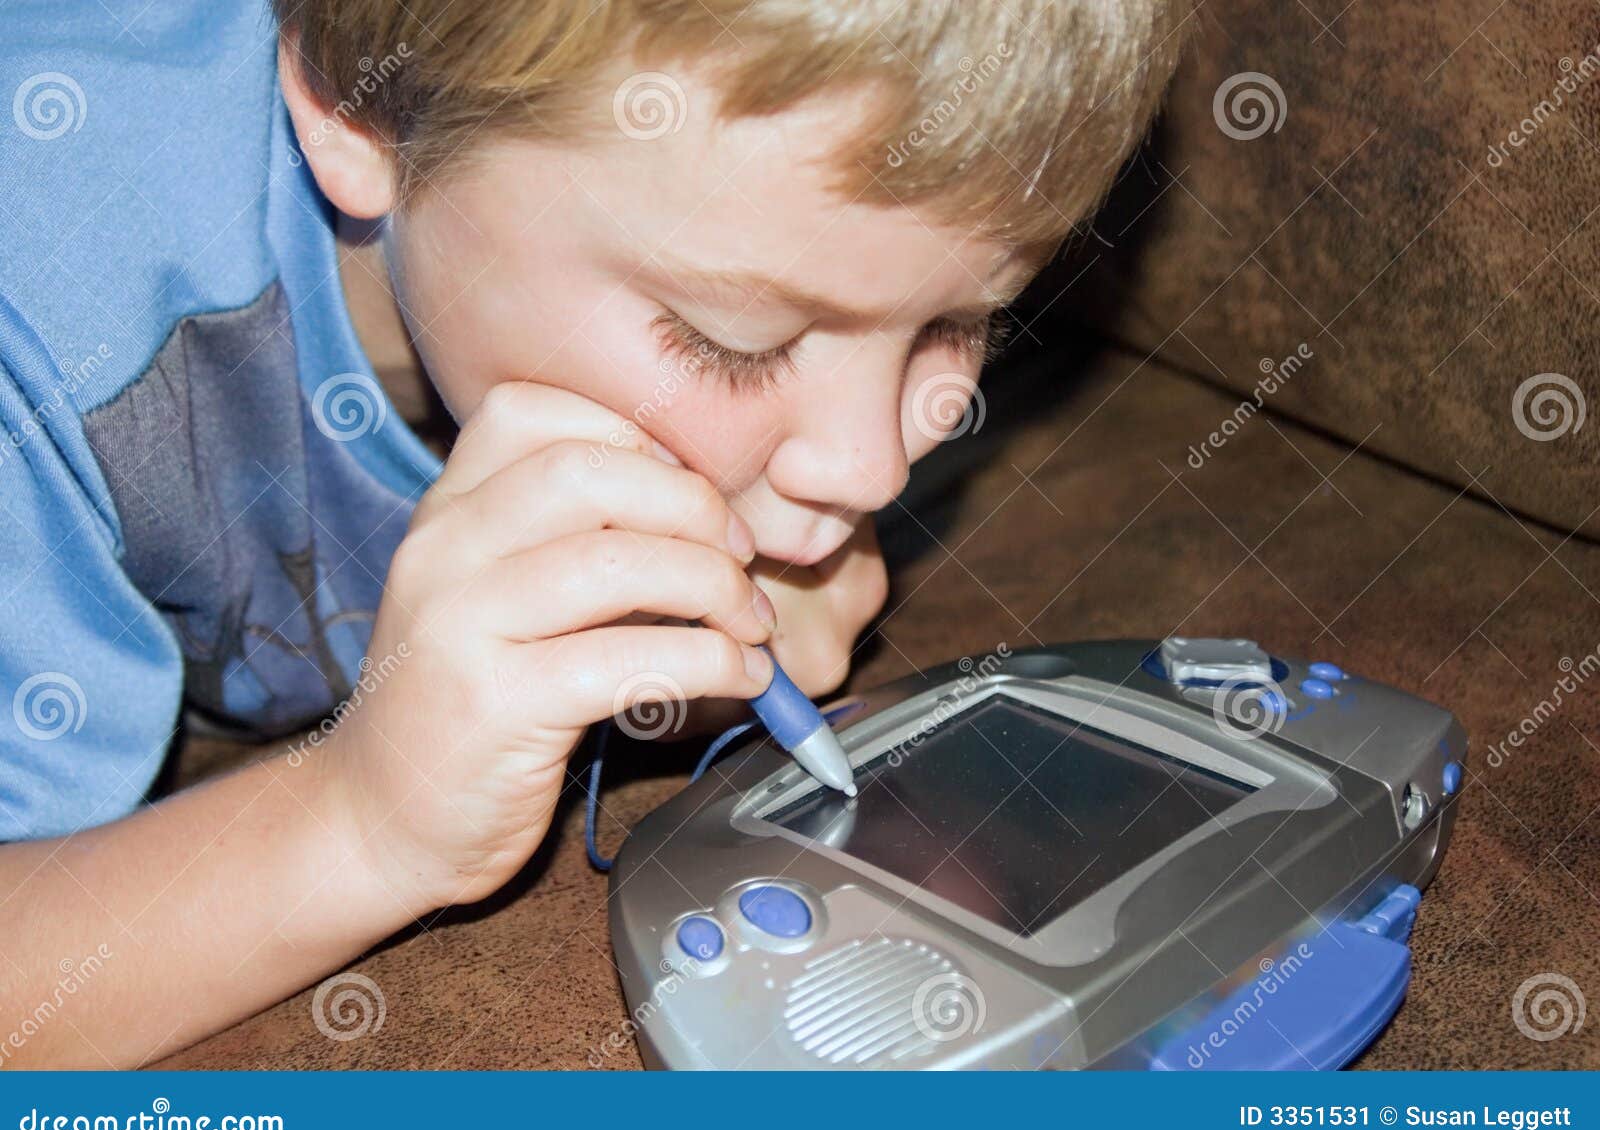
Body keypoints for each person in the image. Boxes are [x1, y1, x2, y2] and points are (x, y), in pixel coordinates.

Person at [0, 0, 1187, 1066]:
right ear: (364, 117)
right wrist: (361, 823)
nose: (865, 465)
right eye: (735, 339)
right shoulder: (46, 300)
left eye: (954, 325)